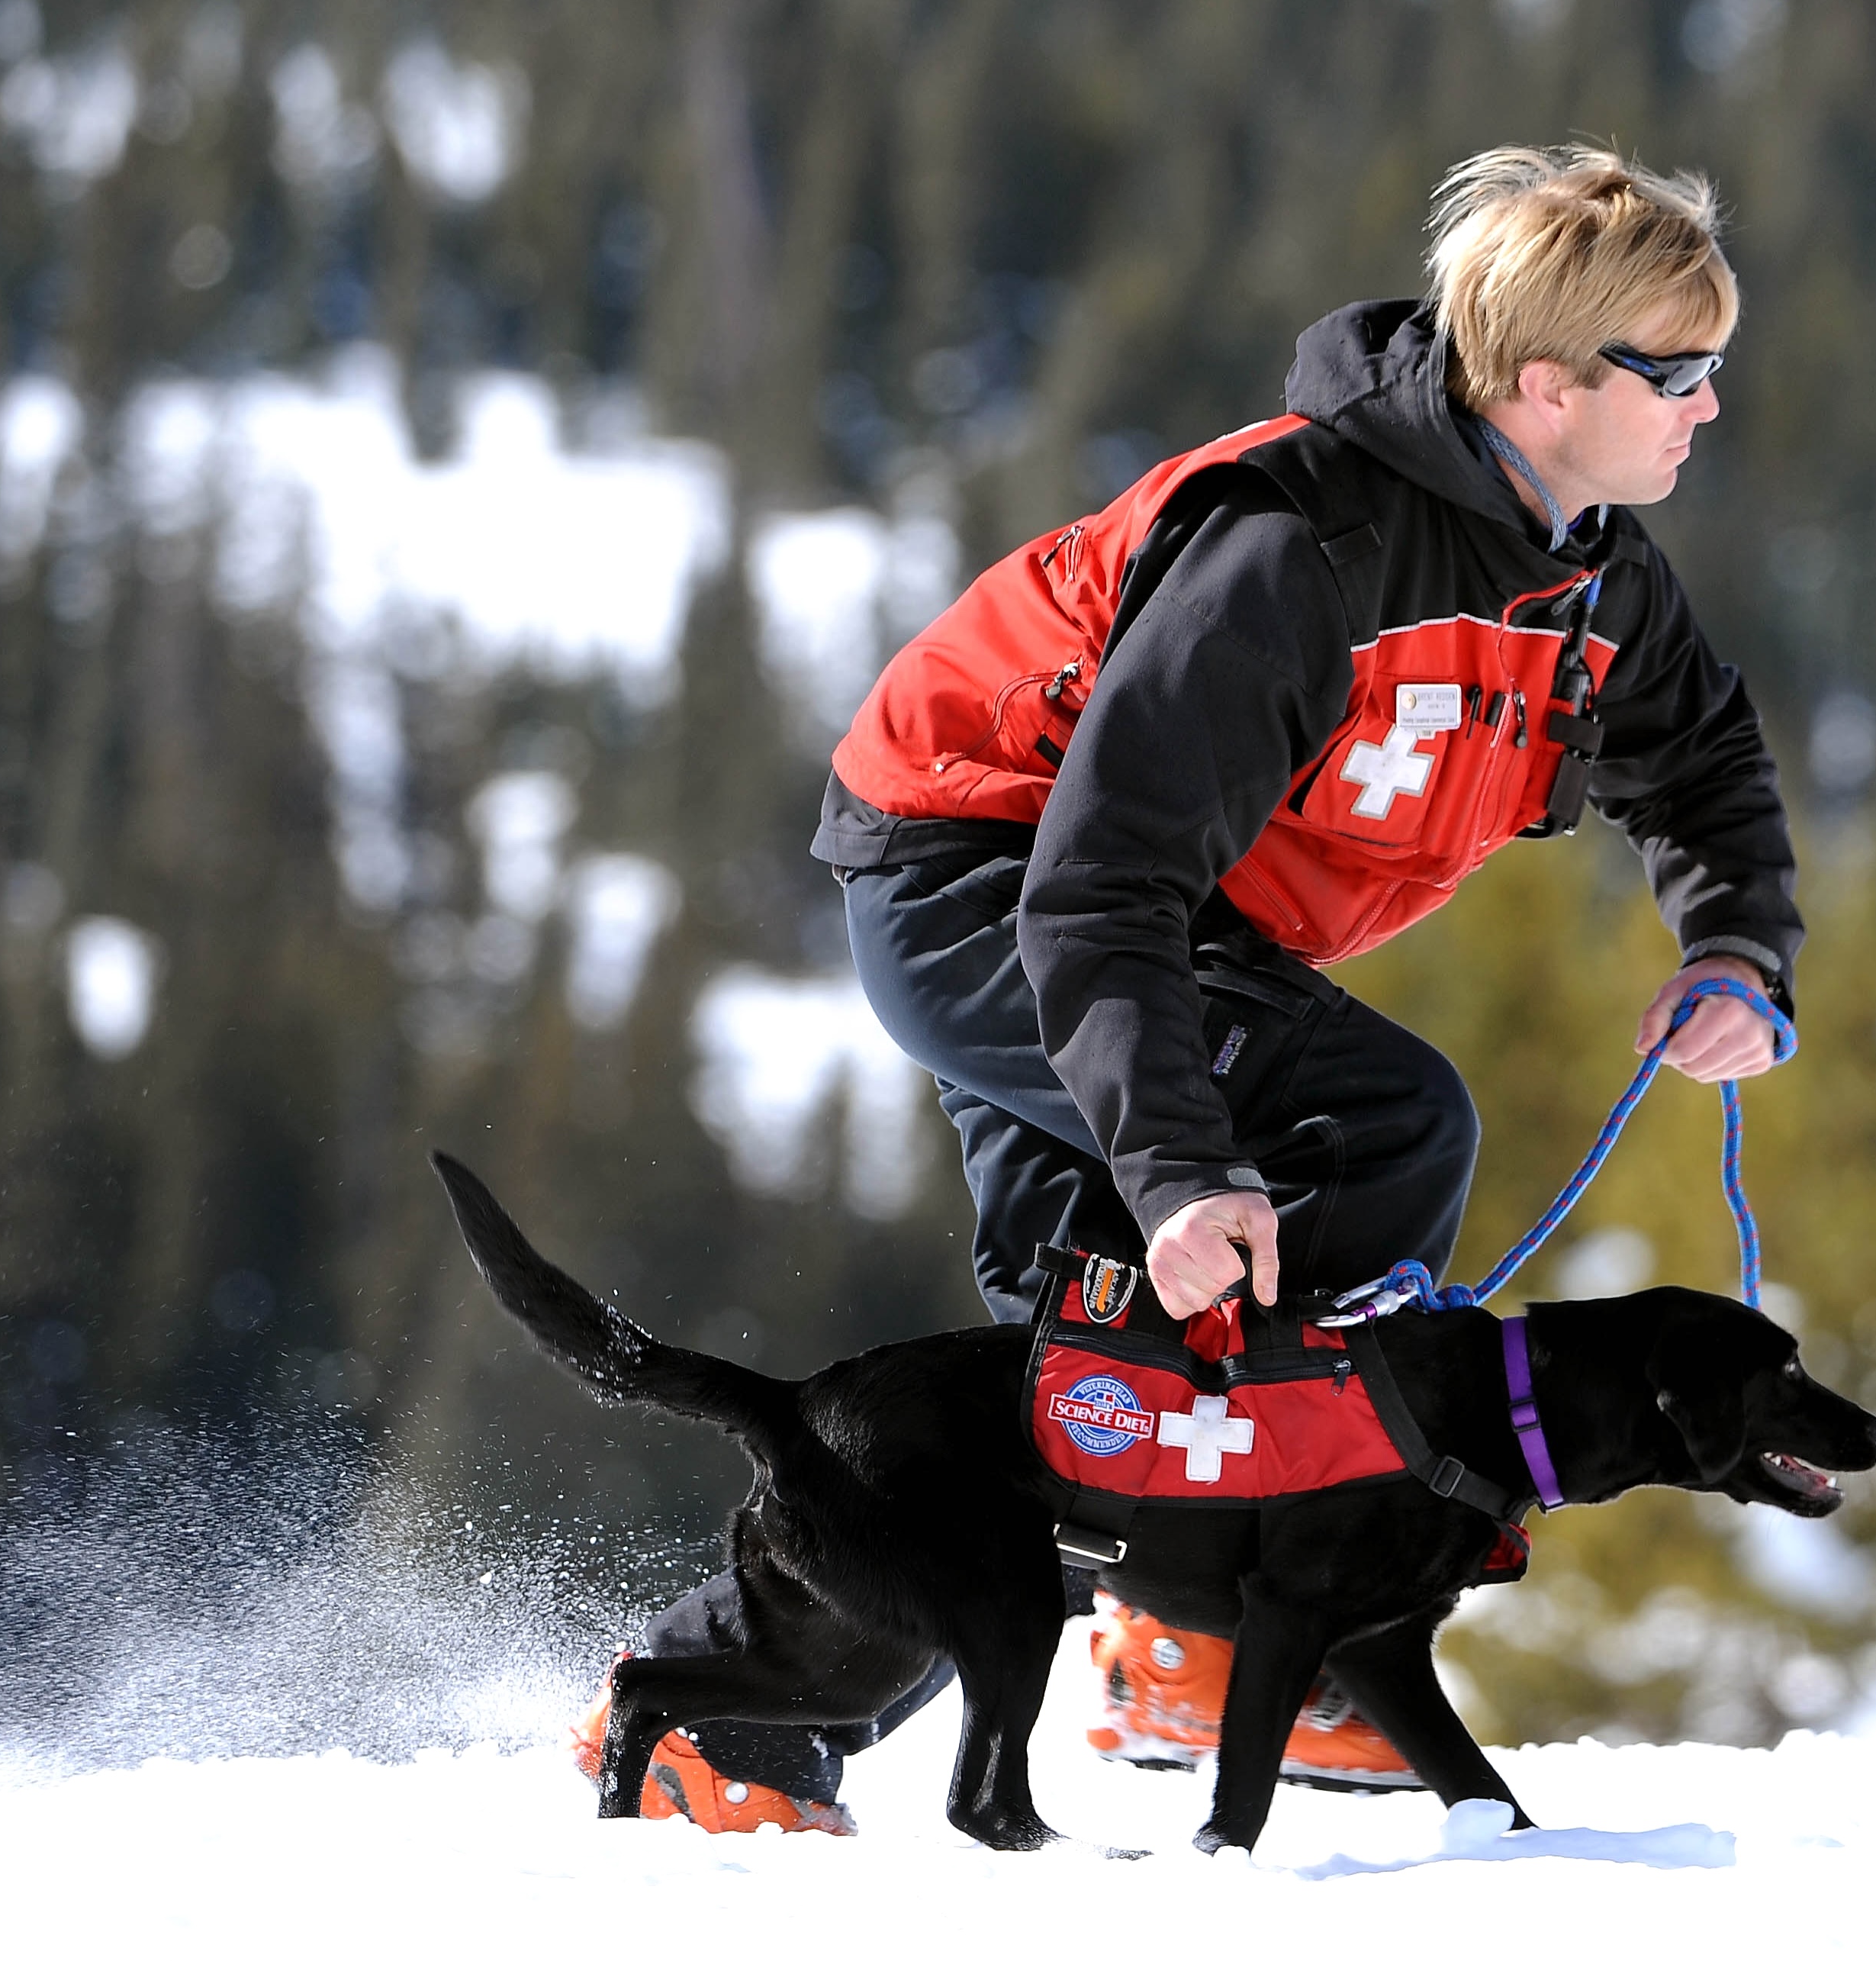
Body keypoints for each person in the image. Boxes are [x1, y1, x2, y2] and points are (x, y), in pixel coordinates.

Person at [587, 143, 1802, 1831]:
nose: (1708, 407)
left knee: (1078, 1357)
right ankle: (1223, 1636)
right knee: (1375, 1126)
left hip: (1155, 936)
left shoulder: (1585, 570)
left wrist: (1735, 942)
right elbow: (1097, 884)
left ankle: (729, 1715)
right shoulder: (1297, 552)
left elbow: (1702, 755)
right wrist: (1178, 1164)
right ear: (1544, 385)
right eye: (1677, 373)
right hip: (989, 887)